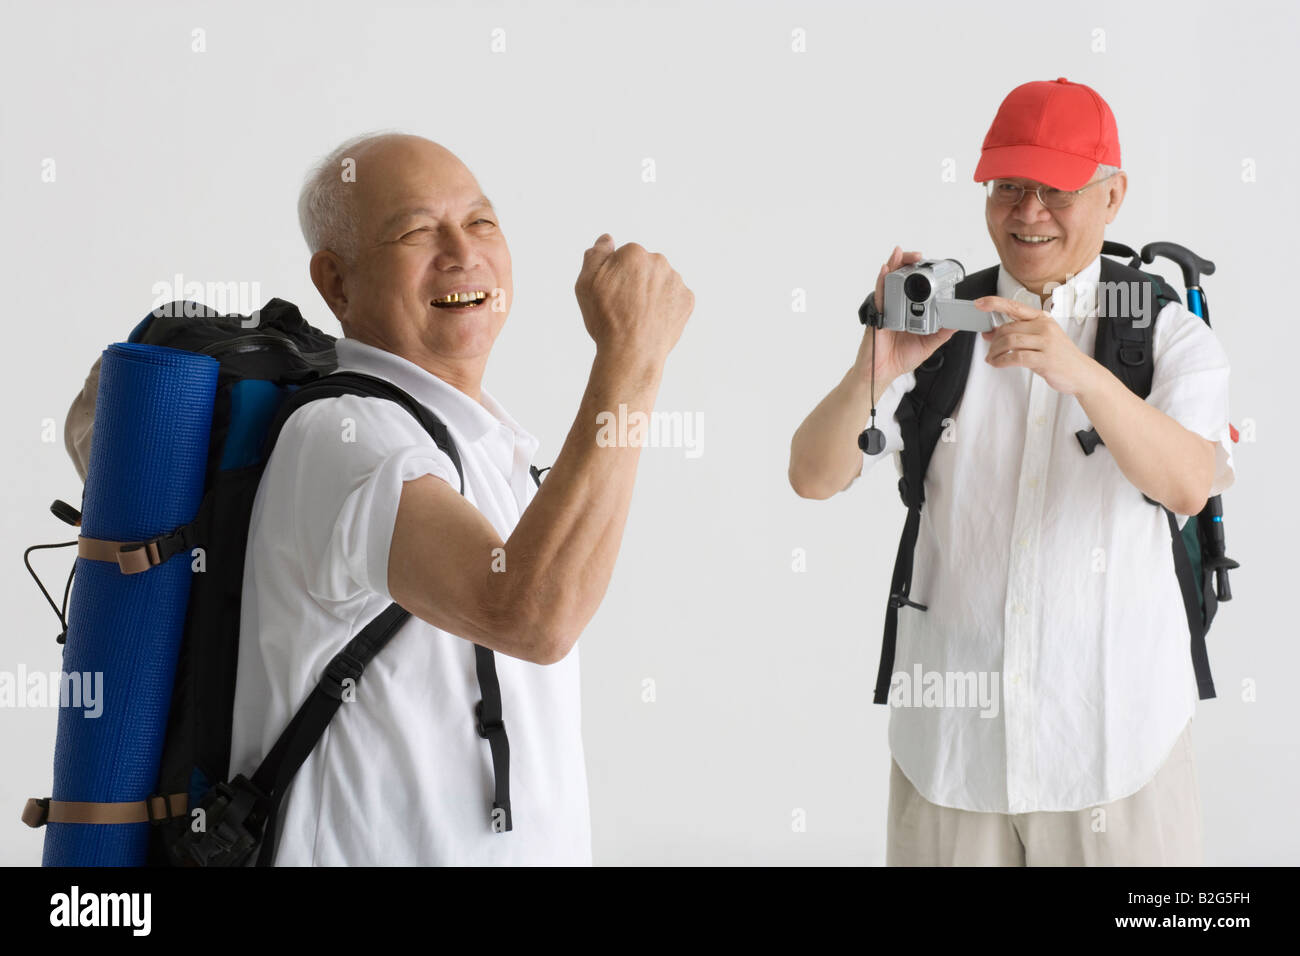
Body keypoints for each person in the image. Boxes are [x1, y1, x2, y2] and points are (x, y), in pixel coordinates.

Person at [788, 79, 1235, 866]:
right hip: (951, 757)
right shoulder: (942, 324)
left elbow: (1188, 483)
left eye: (1056, 189)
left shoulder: (1166, 331)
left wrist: (1082, 374)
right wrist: (873, 368)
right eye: (1008, 188)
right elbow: (811, 476)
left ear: (1112, 194)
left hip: (1117, 751)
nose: (1027, 213)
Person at [228, 132, 694, 865]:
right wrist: (632, 356)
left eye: (481, 222)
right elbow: (533, 615)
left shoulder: (484, 443)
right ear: (336, 282)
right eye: (417, 232)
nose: (462, 252)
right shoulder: (345, 437)